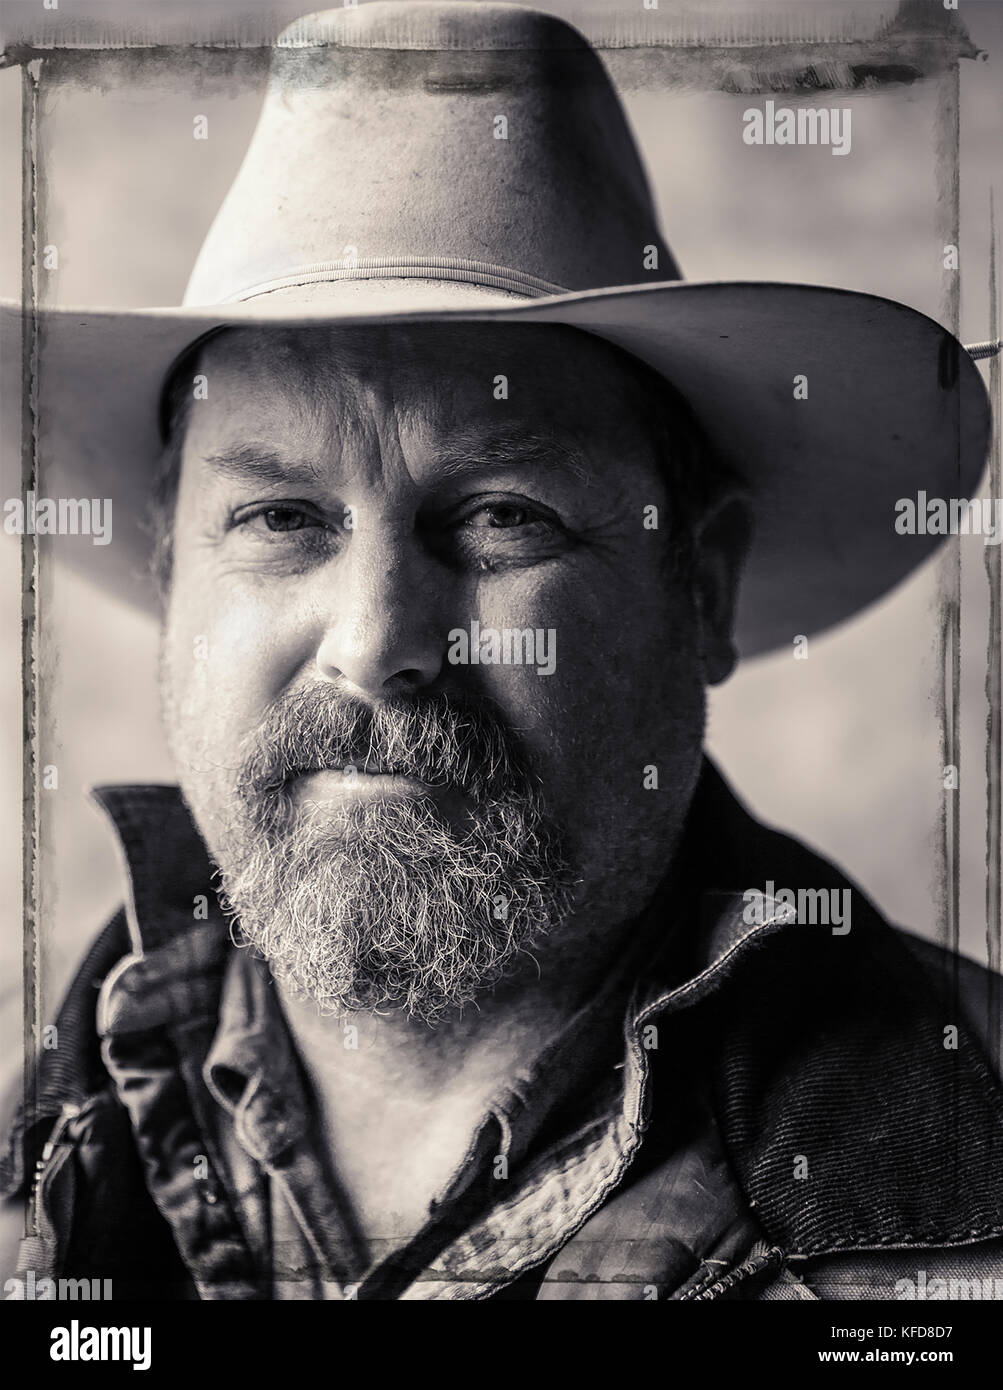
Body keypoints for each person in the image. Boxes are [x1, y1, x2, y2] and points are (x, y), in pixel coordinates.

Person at [2, 2, 1000, 1301]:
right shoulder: (44, 1161)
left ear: (698, 582)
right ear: (171, 573)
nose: (374, 646)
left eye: (497, 517)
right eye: (283, 517)